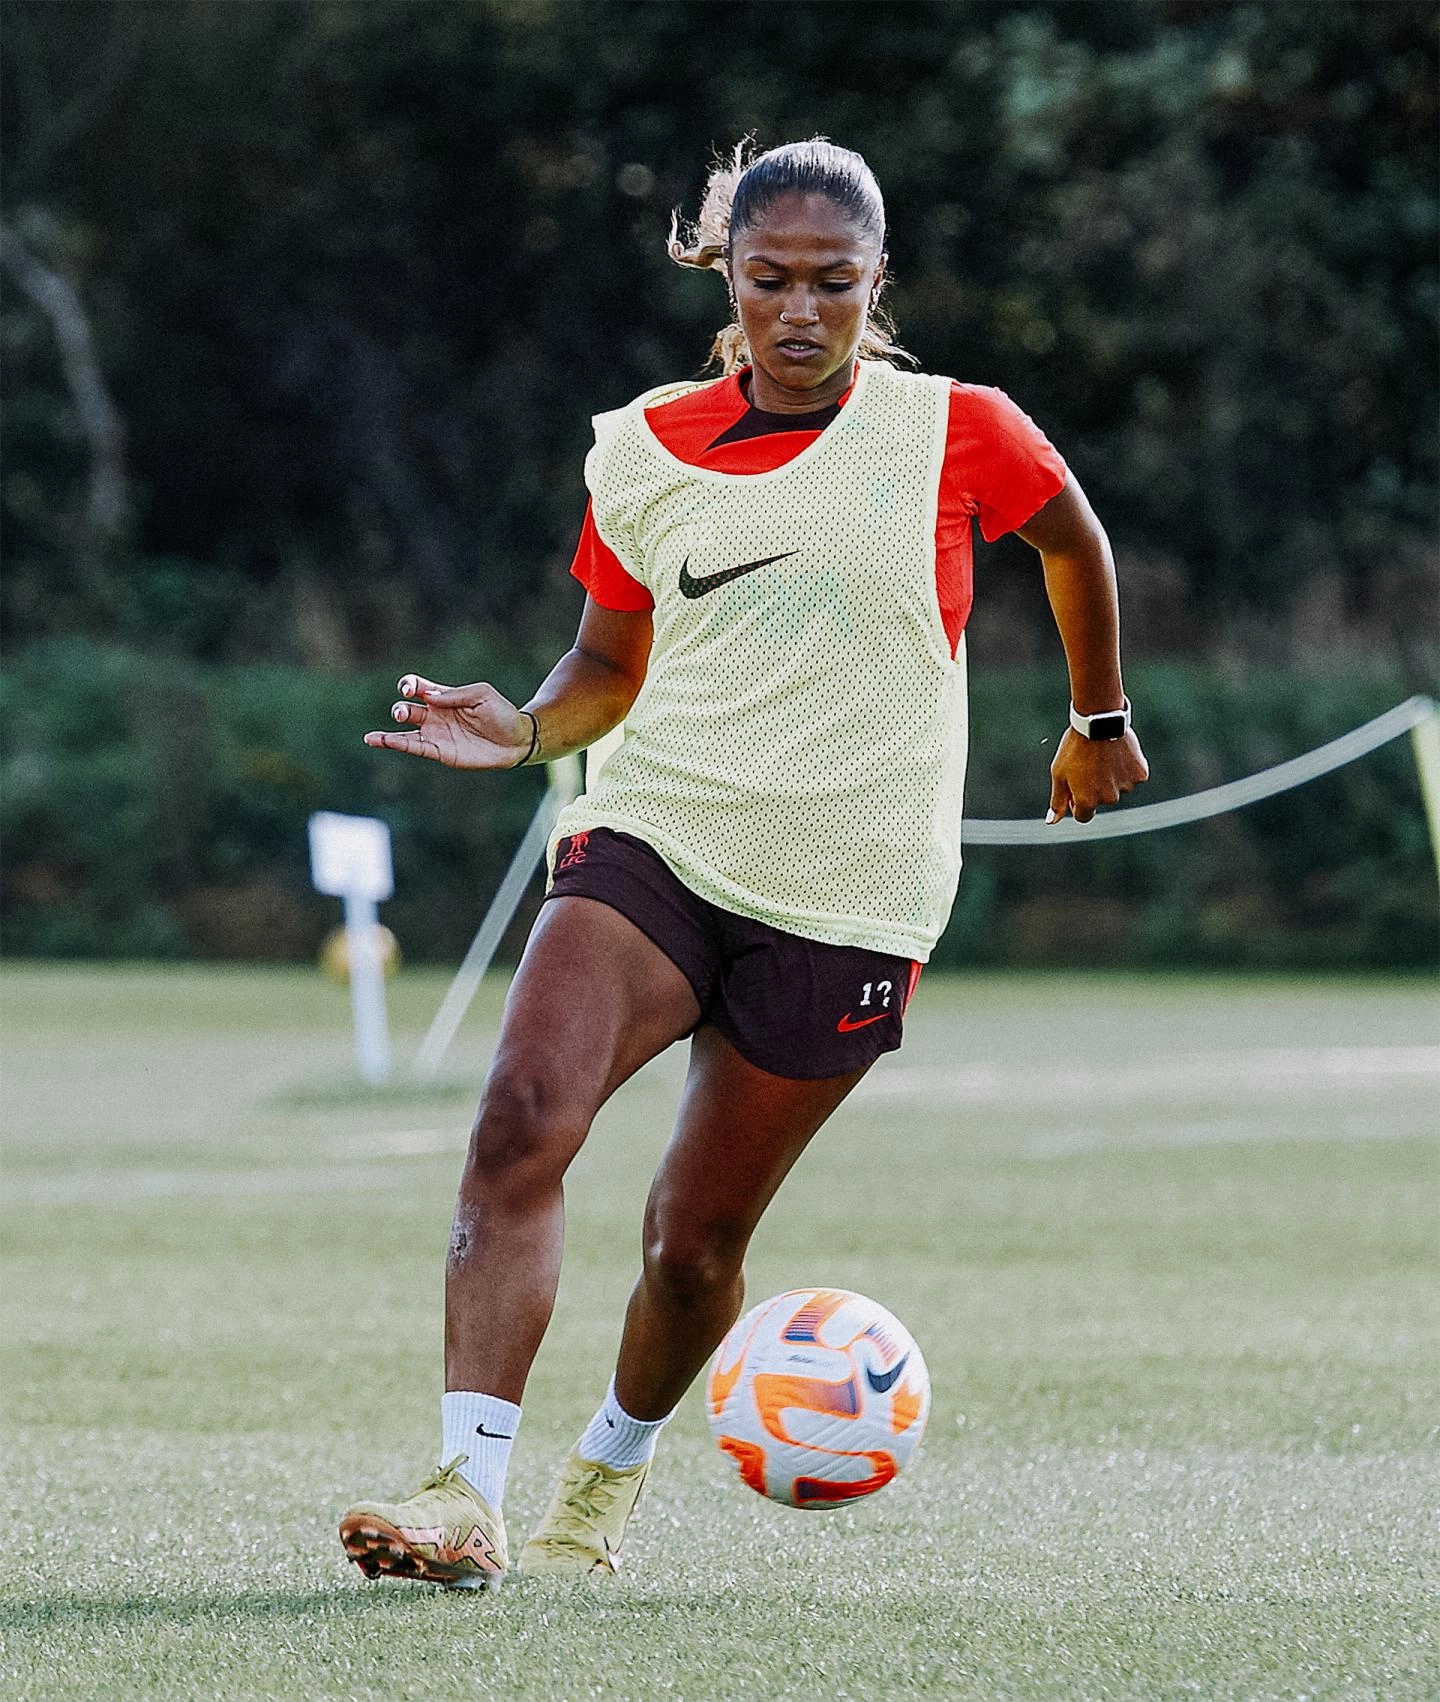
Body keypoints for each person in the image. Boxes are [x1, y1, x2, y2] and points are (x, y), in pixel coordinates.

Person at [338, 138, 1148, 1590]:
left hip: (852, 890)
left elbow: (1074, 543)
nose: (800, 312)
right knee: (521, 1118)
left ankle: (604, 1477)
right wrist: (527, 731)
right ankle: (465, 1492)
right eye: (769, 279)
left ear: (878, 282)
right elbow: (605, 662)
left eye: (834, 283)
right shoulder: (644, 449)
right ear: (725, 274)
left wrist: (1099, 721)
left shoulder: (959, 430)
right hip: (659, 834)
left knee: (694, 1245)